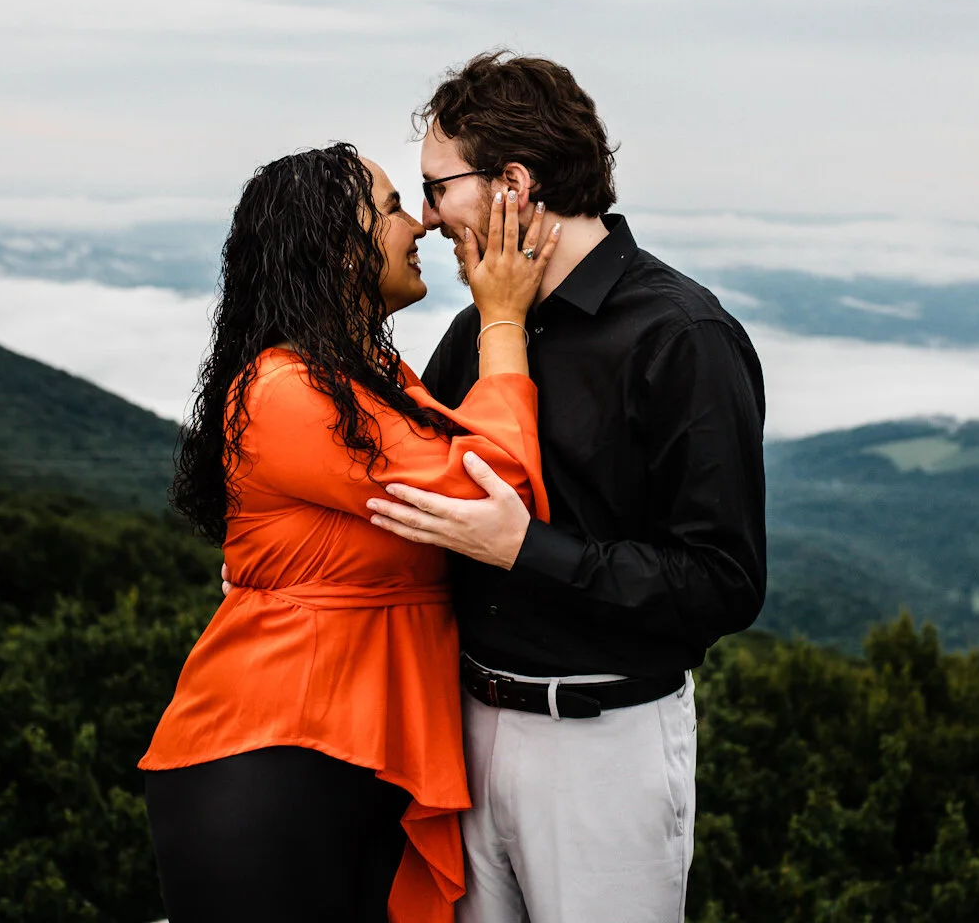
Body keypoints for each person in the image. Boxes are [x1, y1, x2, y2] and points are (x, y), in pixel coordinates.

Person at [366, 52, 768, 923]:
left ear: (512, 183)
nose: (428, 219)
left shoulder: (683, 336)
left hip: (606, 746)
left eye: (437, 189)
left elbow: (723, 582)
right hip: (463, 727)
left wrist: (526, 551)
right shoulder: (479, 330)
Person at [140, 142, 561, 923]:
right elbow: (500, 489)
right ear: (338, 246)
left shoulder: (370, 383)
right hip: (273, 756)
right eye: (396, 206)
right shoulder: (286, 393)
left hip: (360, 754)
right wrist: (502, 323)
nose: (421, 226)